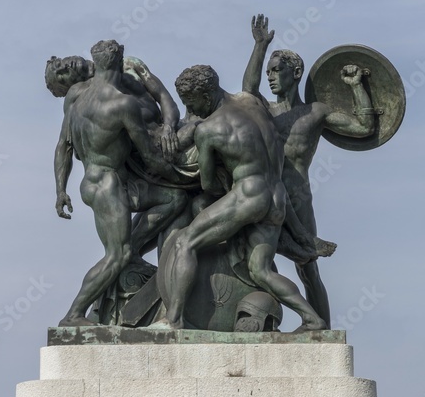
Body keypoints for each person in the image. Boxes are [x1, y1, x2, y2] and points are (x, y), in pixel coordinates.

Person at [157, 64, 330, 331]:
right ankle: (312, 319)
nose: (193, 112)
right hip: (277, 198)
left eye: (191, 104)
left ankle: (174, 320)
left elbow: (207, 183)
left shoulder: (208, 129)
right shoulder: (252, 103)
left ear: (205, 96)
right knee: (261, 271)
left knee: (185, 242)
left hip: (247, 195)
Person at [242, 14, 376, 326]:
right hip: (265, 196)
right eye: (269, 72)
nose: (271, 77)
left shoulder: (315, 112)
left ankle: (321, 330)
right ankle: (262, 318)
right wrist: (260, 46)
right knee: (257, 260)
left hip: (297, 195)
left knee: (308, 266)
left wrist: (357, 86)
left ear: (296, 72)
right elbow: (249, 90)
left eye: (277, 71)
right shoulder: (264, 110)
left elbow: (364, 126)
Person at [50, 39, 178, 325]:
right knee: (117, 256)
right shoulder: (123, 104)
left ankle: (131, 250)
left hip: (98, 181)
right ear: (120, 65)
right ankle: (73, 315)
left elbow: (63, 145)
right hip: (107, 184)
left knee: (173, 199)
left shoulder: (75, 95)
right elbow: (150, 155)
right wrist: (183, 174)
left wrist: (60, 190)